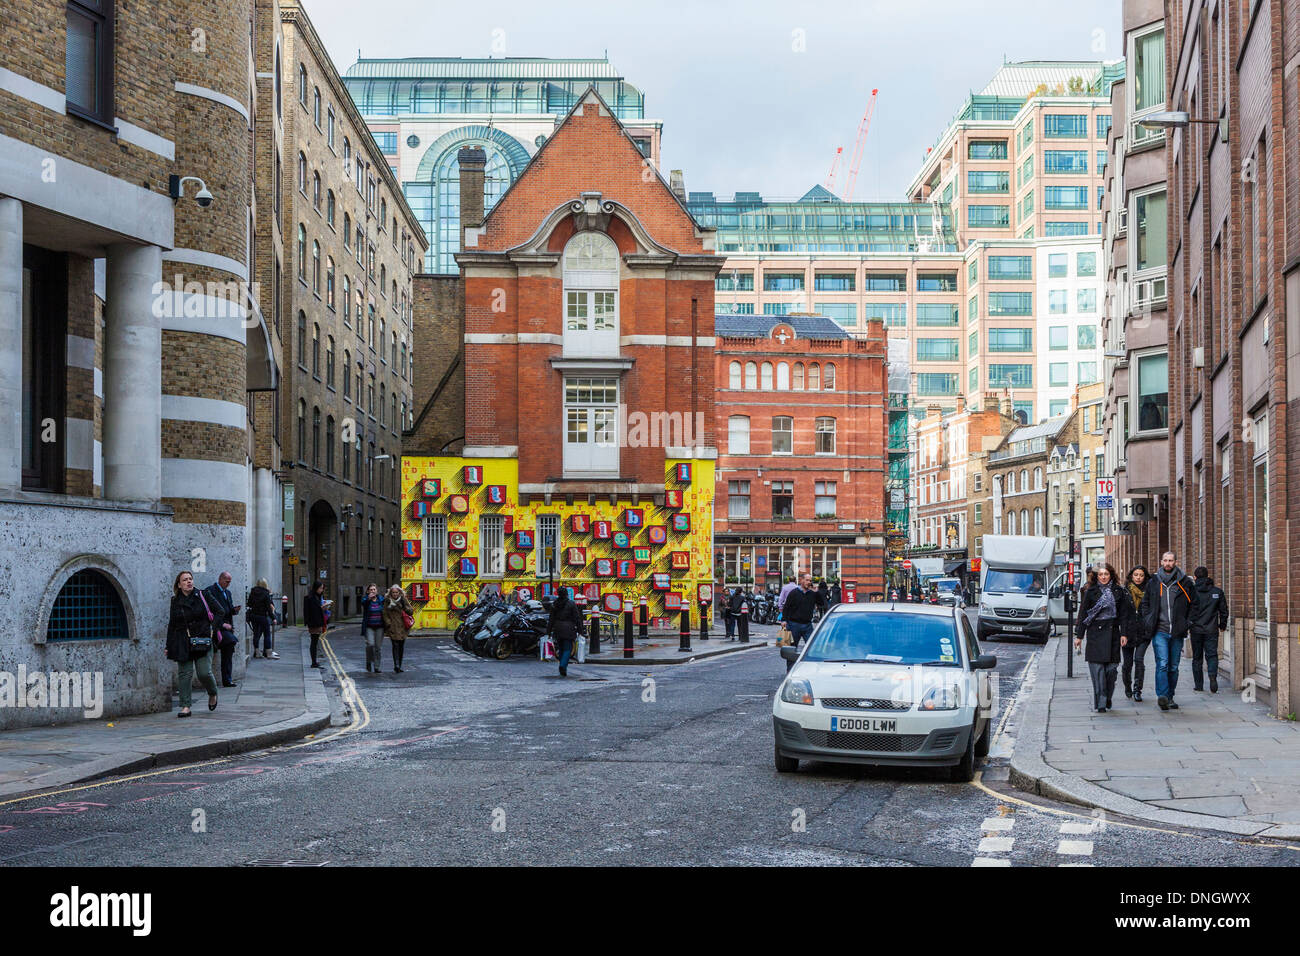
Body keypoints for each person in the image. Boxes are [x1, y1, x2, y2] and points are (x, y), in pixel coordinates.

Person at [1140, 551, 1199, 711]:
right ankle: (1162, 696)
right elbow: (1145, 603)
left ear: (1175, 562)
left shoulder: (1185, 582)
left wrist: (1188, 623)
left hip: (1177, 631)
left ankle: (1170, 696)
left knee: (1174, 666)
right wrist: (1148, 619)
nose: (1167, 563)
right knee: (1163, 664)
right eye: (1165, 560)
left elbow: (1195, 604)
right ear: (1161, 561)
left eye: (1170, 560)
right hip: (1160, 630)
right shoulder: (1153, 581)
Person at [167, 571, 218, 717]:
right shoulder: (175, 600)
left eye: (190, 579)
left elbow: (220, 611)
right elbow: (172, 624)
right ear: (179, 584)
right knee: (185, 674)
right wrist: (168, 645)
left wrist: (212, 628)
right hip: (183, 641)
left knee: (204, 673)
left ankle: (213, 693)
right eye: (185, 580)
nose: (189, 582)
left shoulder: (204, 595)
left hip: (203, 639)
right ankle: (185, 706)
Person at [1074, 563, 1125, 712]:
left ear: (1111, 575)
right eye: (1101, 574)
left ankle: (1107, 696)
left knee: (1111, 671)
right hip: (1095, 634)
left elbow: (1124, 615)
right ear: (1096, 576)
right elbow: (1083, 614)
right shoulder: (1091, 592)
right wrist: (1079, 636)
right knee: (1098, 672)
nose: (1103, 577)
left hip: (1113, 633)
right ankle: (1101, 703)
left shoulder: (1118, 591)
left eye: (1106, 574)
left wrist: (1125, 634)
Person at [1189, 567, 1229, 693]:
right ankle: (1212, 677)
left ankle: (1199, 684)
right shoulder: (1217, 592)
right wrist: (1222, 625)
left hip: (1196, 629)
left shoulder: (1191, 592)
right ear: (1208, 576)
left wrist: (1188, 625)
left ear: (1195, 577)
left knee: (1197, 658)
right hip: (1211, 629)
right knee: (1212, 655)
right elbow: (1224, 611)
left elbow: (1186, 610)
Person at [204, 571, 241, 688]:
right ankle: (224, 679)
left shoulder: (228, 593)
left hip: (227, 628)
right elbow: (208, 612)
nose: (228, 584)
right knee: (230, 641)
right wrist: (222, 625)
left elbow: (227, 610)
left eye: (230, 582)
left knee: (229, 648)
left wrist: (234, 610)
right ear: (220, 579)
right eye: (227, 581)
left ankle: (227, 679)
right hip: (216, 628)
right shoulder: (210, 591)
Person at [1121, 565, 1152, 701]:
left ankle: (1137, 689)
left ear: (1145, 577)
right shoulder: (1124, 591)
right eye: (1136, 575)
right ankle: (1127, 686)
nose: (1138, 577)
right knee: (1127, 664)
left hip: (1143, 633)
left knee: (1139, 660)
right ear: (1131, 576)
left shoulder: (1150, 591)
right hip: (1127, 632)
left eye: (1141, 575)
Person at [781, 572, 824, 671]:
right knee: (792, 649)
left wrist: (816, 592)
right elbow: (786, 607)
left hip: (807, 625)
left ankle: (812, 669)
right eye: (807, 580)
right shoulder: (794, 592)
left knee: (812, 648)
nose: (809, 582)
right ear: (802, 580)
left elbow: (821, 603)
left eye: (810, 580)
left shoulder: (812, 594)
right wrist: (784, 620)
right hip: (793, 624)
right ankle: (790, 670)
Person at [548, 586, 582, 677]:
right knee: (568, 649)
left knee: (561, 648)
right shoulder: (571, 604)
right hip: (569, 629)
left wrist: (548, 632)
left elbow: (551, 619)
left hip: (557, 628)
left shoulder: (555, 604)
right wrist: (581, 630)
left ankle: (563, 668)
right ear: (566, 594)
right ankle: (563, 666)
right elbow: (577, 618)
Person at [382, 584, 414, 673]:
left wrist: (405, 607)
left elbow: (411, 611)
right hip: (393, 626)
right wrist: (388, 623)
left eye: (396, 592)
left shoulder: (403, 600)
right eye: (393, 592)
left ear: (399, 592)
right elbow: (384, 613)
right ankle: (396, 665)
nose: (395, 594)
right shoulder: (387, 601)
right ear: (390, 593)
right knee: (395, 645)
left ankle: (399, 665)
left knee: (401, 646)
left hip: (403, 627)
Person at [247, 578, 277, 660]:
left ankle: (257, 652)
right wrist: (273, 618)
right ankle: (269, 653)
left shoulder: (252, 592)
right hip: (262, 616)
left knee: (256, 634)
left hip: (253, 616)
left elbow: (249, 603)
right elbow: (268, 608)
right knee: (267, 634)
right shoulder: (266, 593)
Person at [359, 583, 385, 673]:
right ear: (368, 591)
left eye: (374, 589)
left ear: (376, 591)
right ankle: (369, 661)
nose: (373, 591)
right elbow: (363, 604)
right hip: (369, 626)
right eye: (371, 590)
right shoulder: (366, 600)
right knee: (370, 644)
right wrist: (368, 599)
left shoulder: (381, 599)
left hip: (380, 627)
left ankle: (377, 667)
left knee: (378, 647)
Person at [304, 581, 327, 669]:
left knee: (315, 642)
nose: (322, 590)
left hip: (317, 622)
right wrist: (322, 608)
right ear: (316, 588)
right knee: (314, 642)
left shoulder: (318, 596)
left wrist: (323, 607)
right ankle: (313, 662)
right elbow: (309, 611)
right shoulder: (310, 597)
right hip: (314, 623)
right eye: (321, 588)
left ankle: (314, 661)